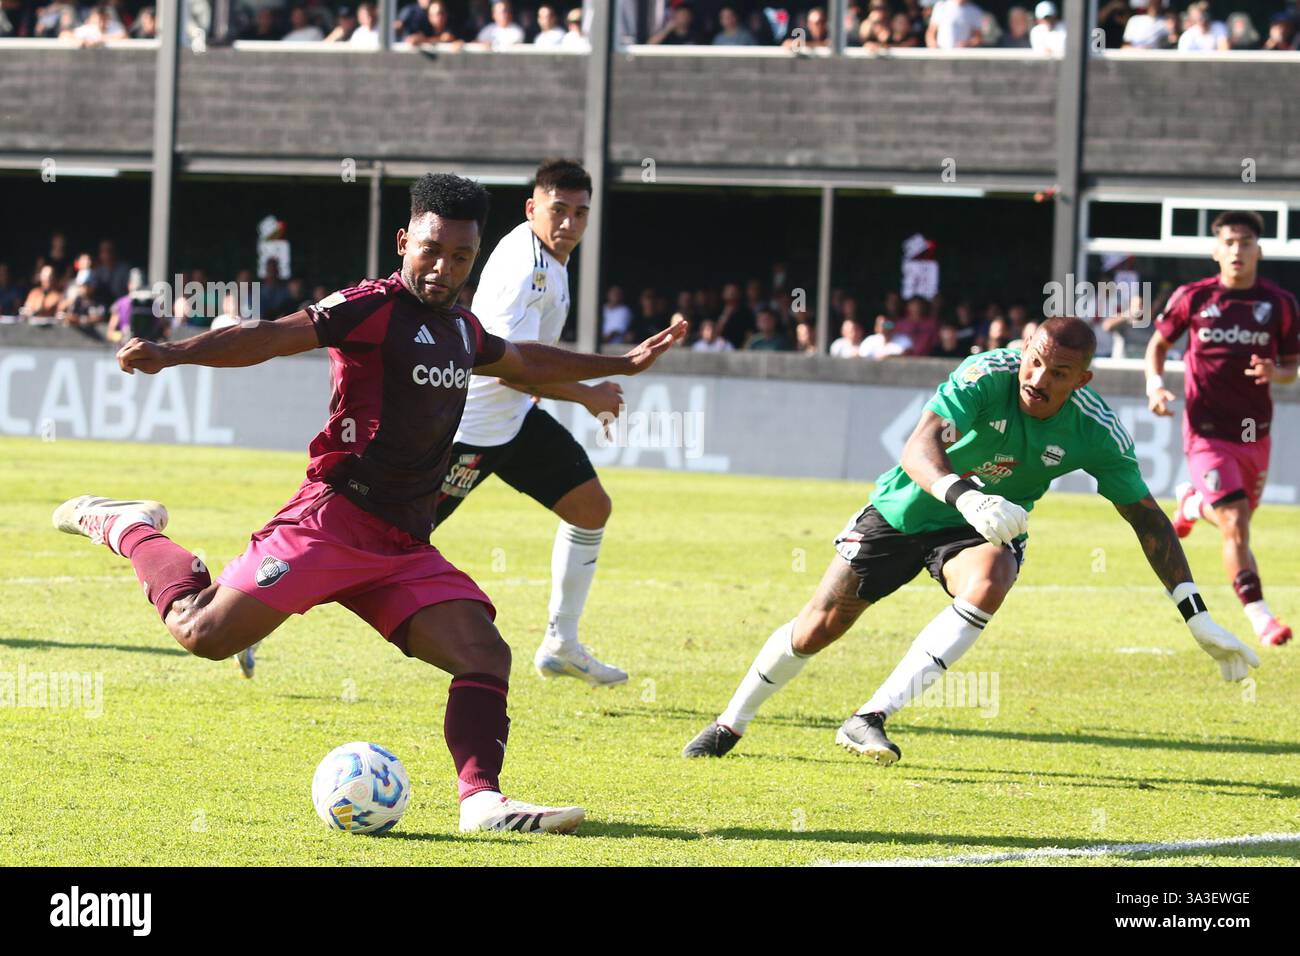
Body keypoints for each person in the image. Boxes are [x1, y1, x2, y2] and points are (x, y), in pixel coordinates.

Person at [52, 173, 684, 834]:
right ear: (404, 240)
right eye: (431, 250)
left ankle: (482, 803)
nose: (444, 268)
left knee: (484, 654)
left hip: (403, 545)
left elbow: (523, 360)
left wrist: (622, 364)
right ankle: (127, 526)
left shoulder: (463, 329)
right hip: (331, 522)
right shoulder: (370, 307)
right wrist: (171, 352)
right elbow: (270, 335)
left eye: (461, 257)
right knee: (201, 633)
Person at [683, 317, 1259, 763]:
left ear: (1083, 379)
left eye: (1059, 374)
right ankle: (730, 723)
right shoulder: (987, 373)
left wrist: (1195, 614)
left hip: (983, 527)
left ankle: (871, 717)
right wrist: (967, 496)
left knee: (992, 579)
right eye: (1035, 363)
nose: (1038, 379)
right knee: (818, 625)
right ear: (1025, 352)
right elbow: (918, 447)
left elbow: (1149, 520)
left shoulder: (1096, 429)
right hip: (913, 505)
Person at [435, 160, 634, 688]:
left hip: (516, 423)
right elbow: (509, 370)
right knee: (383, 541)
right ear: (532, 209)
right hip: (467, 431)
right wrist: (589, 395)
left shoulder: (551, 257)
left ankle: (561, 643)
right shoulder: (525, 267)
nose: (569, 223)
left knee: (590, 507)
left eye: (580, 213)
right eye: (558, 211)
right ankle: (258, 618)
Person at [1145, 210, 1298, 647]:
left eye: (1245, 242)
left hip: (1254, 432)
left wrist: (1276, 372)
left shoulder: (1279, 304)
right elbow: (1158, 345)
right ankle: (1261, 616)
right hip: (1206, 430)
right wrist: (1156, 387)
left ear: (1259, 251)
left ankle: (1192, 505)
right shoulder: (1193, 298)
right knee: (1235, 522)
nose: (1237, 250)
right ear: (1216, 250)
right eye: (1229, 242)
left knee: (1240, 517)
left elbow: (1291, 367)